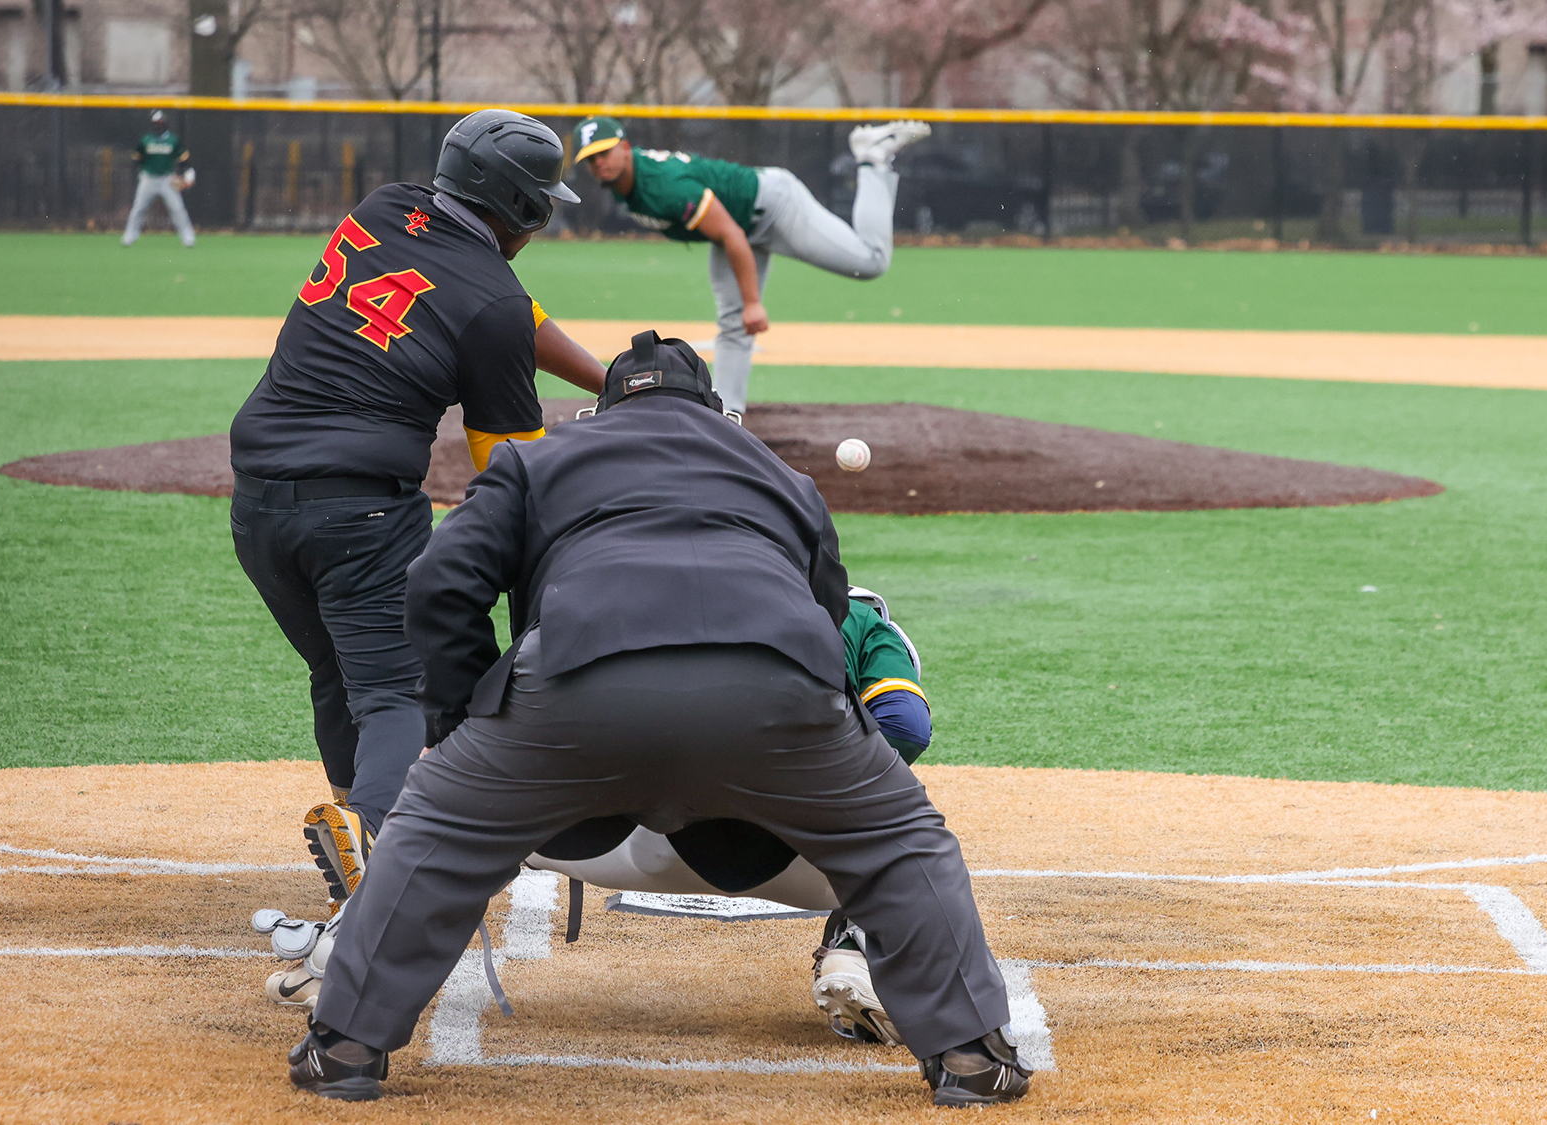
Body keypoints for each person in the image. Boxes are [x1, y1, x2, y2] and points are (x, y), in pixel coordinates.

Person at [282, 331, 1032, 1109]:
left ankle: (344, 1046)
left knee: (434, 827)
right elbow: (831, 613)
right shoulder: (784, 476)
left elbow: (438, 585)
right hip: (773, 681)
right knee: (901, 841)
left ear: (601, 406)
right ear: (713, 410)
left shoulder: (537, 458)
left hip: (576, 679)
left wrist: (468, 719)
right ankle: (972, 1053)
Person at [228, 109, 607, 912]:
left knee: (338, 674)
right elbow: (509, 475)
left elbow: (504, 311)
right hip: (357, 513)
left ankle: (353, 819)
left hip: (258, 503)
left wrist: (606, 378)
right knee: (400, 690)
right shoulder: (492, 303)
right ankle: (371, 832)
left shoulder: (384, 207)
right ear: (523, 208)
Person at [526, 584, 932, 1046]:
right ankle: (854, 949)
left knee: (501, 794)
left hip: (615, 842)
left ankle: (462, 889)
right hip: (792, 858)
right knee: (898, 808)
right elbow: (904, 728)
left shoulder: (638, 594)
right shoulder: (856, 616)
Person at [571, 115, 930, 413]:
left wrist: (753, 301)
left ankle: (872, 159)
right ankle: (729, 417)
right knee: (732, 325)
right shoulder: (628, 182)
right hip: (741, 224)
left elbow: (731, 235)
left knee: (870, 261)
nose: (598, 162)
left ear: (626, 147)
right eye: (590, 158)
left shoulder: (662, 187)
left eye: (604, 152)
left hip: (773, 207)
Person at [122, 110, 196, 248]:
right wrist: (139, 173)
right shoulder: (146, 140)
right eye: (156, 123)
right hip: (148, 178)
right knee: (139, 208)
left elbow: (183, 160)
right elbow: (137, 159)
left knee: (178, 209)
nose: (158, 125)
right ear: (152, 124)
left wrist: (188, 172)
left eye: (161, 122)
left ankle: (188, 238)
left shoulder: (173, 140)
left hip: (167, 179)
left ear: (165, 123)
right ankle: (129, 237)